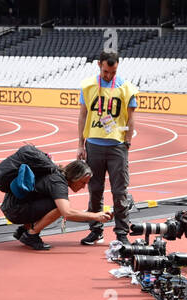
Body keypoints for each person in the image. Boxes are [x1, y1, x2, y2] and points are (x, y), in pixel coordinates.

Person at [0, 146, 112, 250]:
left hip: (12, 206)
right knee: (59, 207)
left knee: (51, 201)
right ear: (75, 177)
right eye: (82, 182)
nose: (84, 187)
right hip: (14, 210)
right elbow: (67, 213)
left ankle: (24, 230)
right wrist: (96, 216)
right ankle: (31, 235)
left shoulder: (54, 174)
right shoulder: (58, 183)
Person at [77, 50, 136, 246]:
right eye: (105, 72)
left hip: (117, 146)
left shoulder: (126, 88)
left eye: (113, 72)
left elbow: (130, 117)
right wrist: (80, 144)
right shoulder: (88, 86)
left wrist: (126, 141)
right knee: (95, 190)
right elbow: (83, 115)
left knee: (120, 192)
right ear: (99, 65)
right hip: (93, 144)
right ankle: (96, 231)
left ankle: (121, 233)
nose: (109, 75)